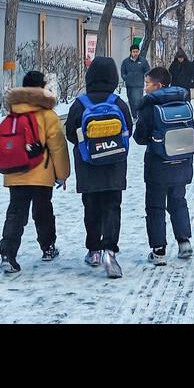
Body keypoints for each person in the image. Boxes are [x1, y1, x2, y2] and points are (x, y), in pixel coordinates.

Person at [65, 57, 134, 279]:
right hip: (114, 165)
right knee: (113, 207)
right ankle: (110, 250)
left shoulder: (80, 104)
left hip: (88, 167)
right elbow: (128, 130)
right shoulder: (118, 103)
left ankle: (93, 250)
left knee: (91, 207)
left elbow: (69, 134)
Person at [0, 71, 71, 275]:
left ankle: (8, 255)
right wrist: (63, 174)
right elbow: (58, 147)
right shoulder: (47, 115)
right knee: (43, 212)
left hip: (16, 173)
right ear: (42, 88)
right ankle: (48, 248)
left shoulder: (13, 113)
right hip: (41, 174)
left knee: (15, 213)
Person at [133, 67, 194, 264]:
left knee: (155, 207)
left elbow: (140, 137)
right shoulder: (184, 101)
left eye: (147, 84)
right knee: (178, 201)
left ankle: (159, 250)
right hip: (182, 162)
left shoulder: (149, 107)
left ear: (158, 85)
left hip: (157, 165)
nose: (145, 88)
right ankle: (184, 242)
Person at [122, 43, 149, 113]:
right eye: (134, 52)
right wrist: (125, 77)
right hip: (129, 85)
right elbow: (123, 72)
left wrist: (145, 78)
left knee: (138, 101)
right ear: (131, 52)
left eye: (137, 51)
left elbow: (147, 71)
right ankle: (134, 115)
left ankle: (139, 115)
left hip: (139, 86)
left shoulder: (143, 61)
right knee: (131, 101)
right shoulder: (125, 62)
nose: (135, 53)